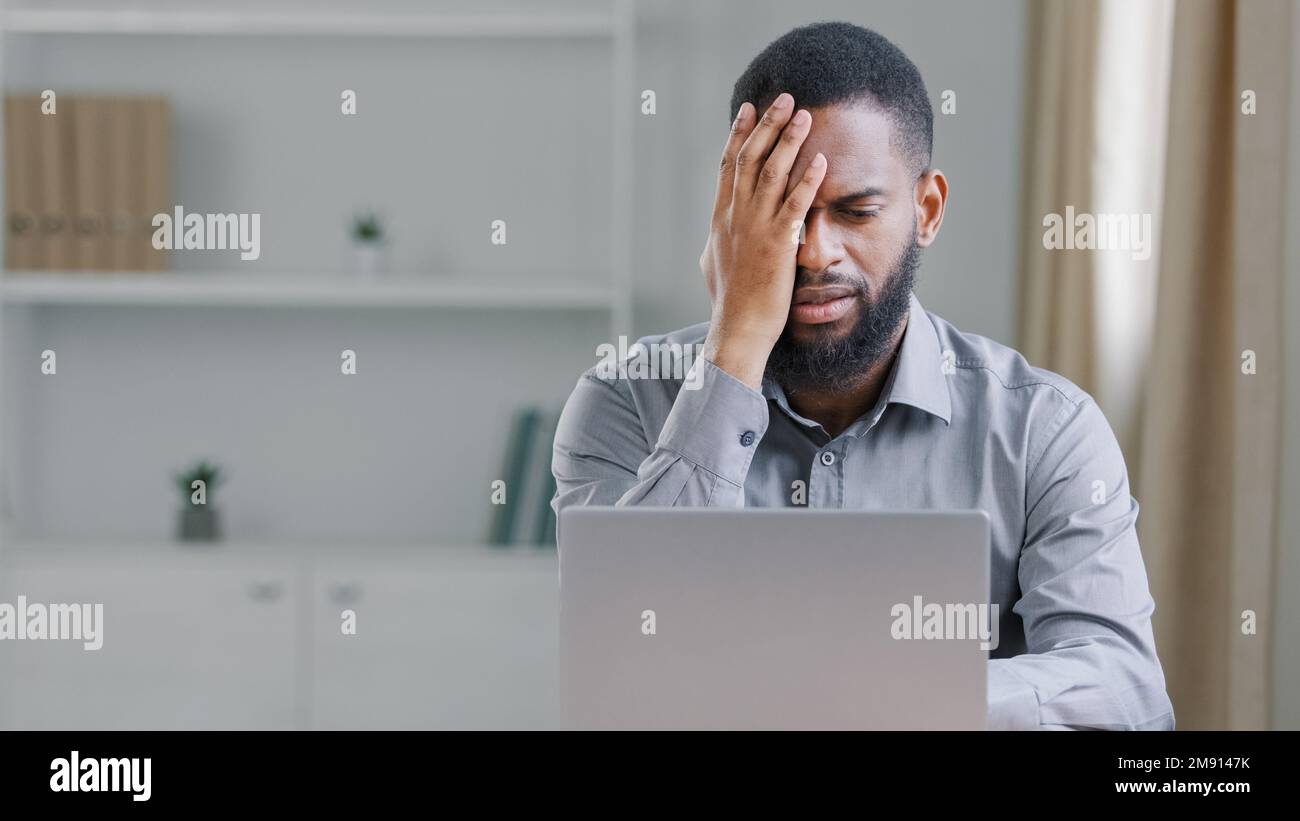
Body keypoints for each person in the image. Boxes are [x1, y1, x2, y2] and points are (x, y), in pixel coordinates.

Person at [551, 21, 1173, 731]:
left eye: (855, 211)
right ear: (730, 220)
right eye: (782, 211)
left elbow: (1125, 694)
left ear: (927, 210)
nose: (814, 251)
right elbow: (621, 672)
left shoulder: (1046, 429)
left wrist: (895, 697)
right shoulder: (622, 404)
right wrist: (735, 345)